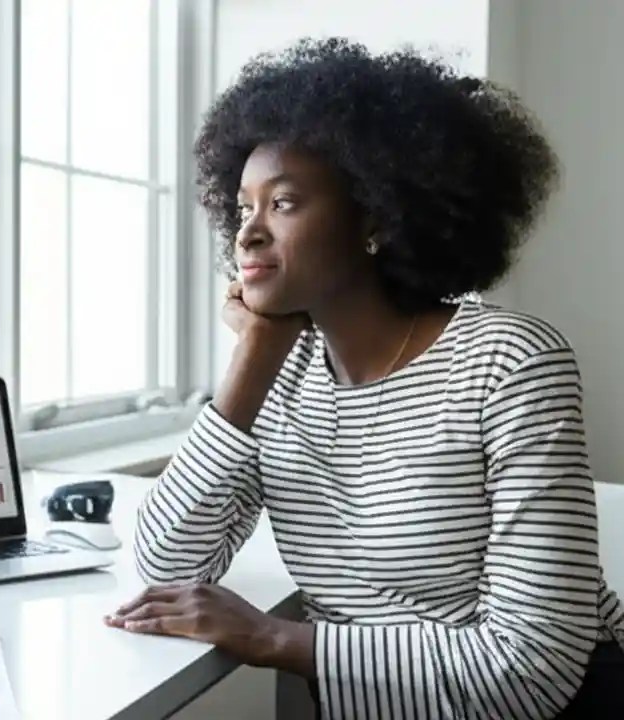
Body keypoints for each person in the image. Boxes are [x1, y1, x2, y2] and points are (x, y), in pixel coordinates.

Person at [102, 39, 624, 719]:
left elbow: (531, 670)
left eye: (283, 204)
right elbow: (169, 568)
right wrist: (257, 352)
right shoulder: (280, 374)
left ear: (376, 217)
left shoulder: (508, 362)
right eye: (243, 208)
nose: (248, 234)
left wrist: (274, 637)